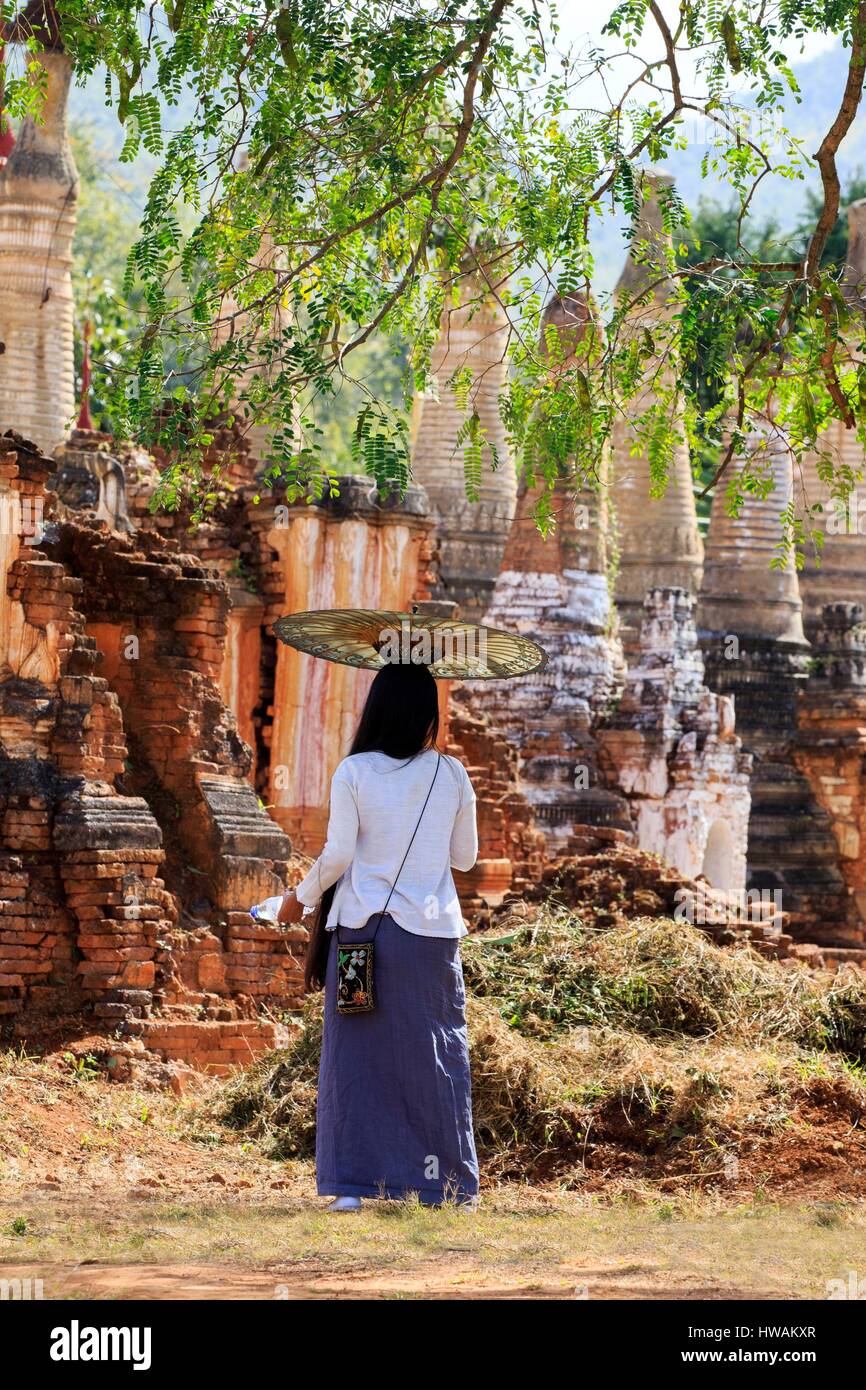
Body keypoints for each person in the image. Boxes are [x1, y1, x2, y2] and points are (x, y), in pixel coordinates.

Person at [277, 661, 480, 1211]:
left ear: (377, 708)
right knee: (437, 1054)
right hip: (433, 939)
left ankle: (351, 1187)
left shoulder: (354, 771)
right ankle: (450, 1188)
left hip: (362, 937)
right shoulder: (452, 774)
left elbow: (339, 854)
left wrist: (300, 897)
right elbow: (465, 858)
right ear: (428, 715)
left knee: (356, 1057)